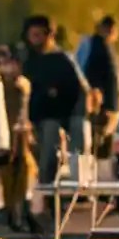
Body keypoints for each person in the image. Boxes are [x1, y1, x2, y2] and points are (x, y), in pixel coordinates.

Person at [22, 15, 91, 186]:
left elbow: (81, 90)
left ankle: (80, 184)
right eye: (32, 35)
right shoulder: (27, 61)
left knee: (77, 138)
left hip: (67, 113)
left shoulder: (63, 60)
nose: (35, 40)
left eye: (38, 35)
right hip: (41, 116)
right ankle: (45, 186)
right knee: (47, 148)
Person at [0, 46, 38, 231]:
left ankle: (19, 210)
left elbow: (25, 104)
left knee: (24, 170)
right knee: (8, 173)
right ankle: (12, 212)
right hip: (5, 133)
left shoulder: (22, 84)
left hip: (22, 132)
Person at [82, 15, 119, 172]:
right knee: (100, 145)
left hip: (101, 104)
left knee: (98, 143)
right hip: (101, 105)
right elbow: (103, 79)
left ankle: (98, 179)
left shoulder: (98, 46)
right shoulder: (100, 48)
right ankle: (99, 182)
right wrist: (109, 107)